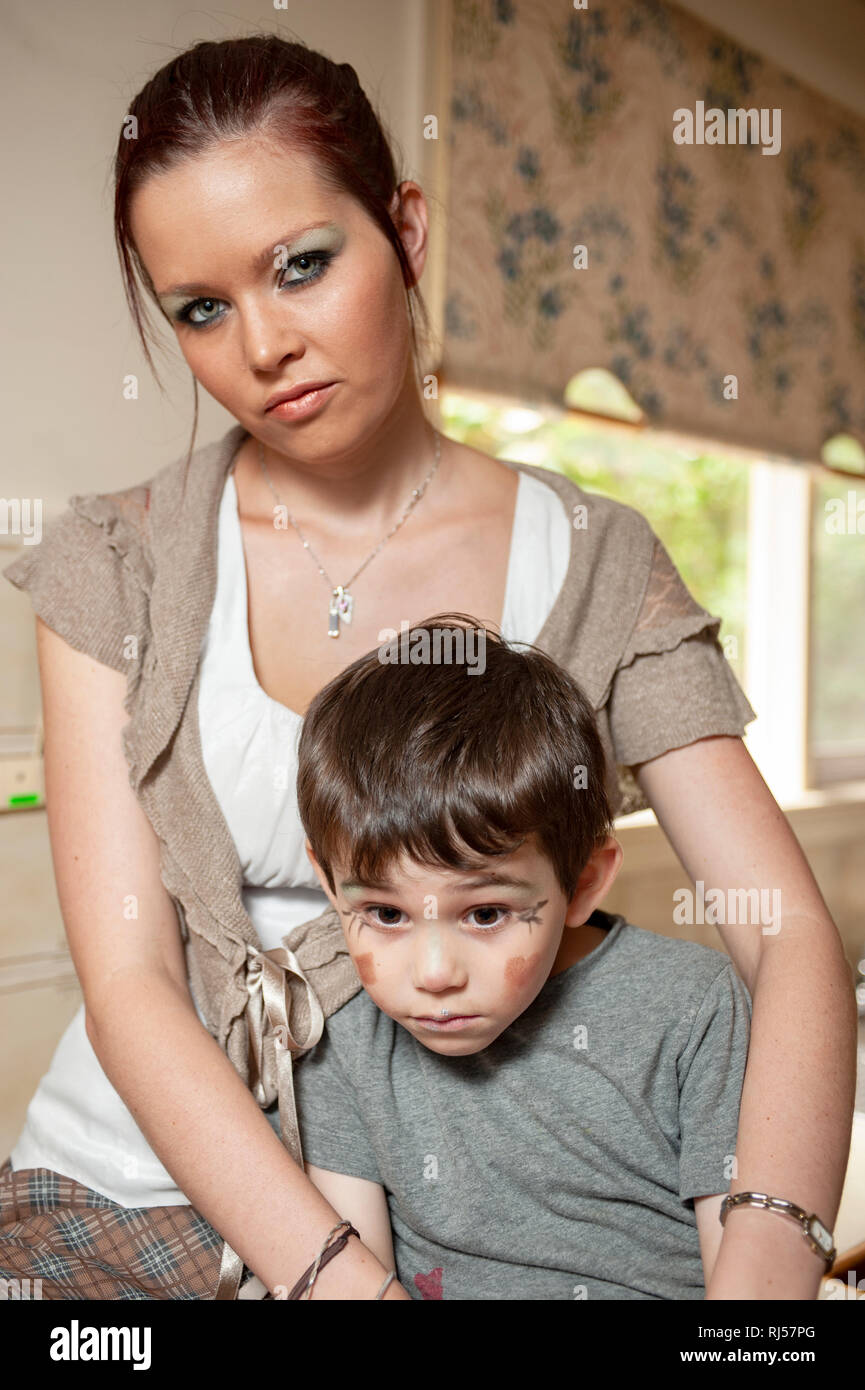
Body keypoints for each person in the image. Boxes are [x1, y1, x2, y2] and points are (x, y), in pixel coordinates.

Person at [0, 33, 854, 1300]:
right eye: (200, 308)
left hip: (454, 1216)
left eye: (302, 266)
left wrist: (769, 1278)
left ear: (403, 228)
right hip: (129, 1198)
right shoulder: (112, 565)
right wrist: (339, 1280)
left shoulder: (597, 565)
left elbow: (785, 938)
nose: (264, 344)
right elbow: (130, 986)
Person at [291, 615, 751, 1300]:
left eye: (484, 914)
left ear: (584, 881)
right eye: (385, 914)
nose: (435, 974)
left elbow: (750, 1282)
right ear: (330, 884)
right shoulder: (340, 1034)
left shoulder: (694, 1008)